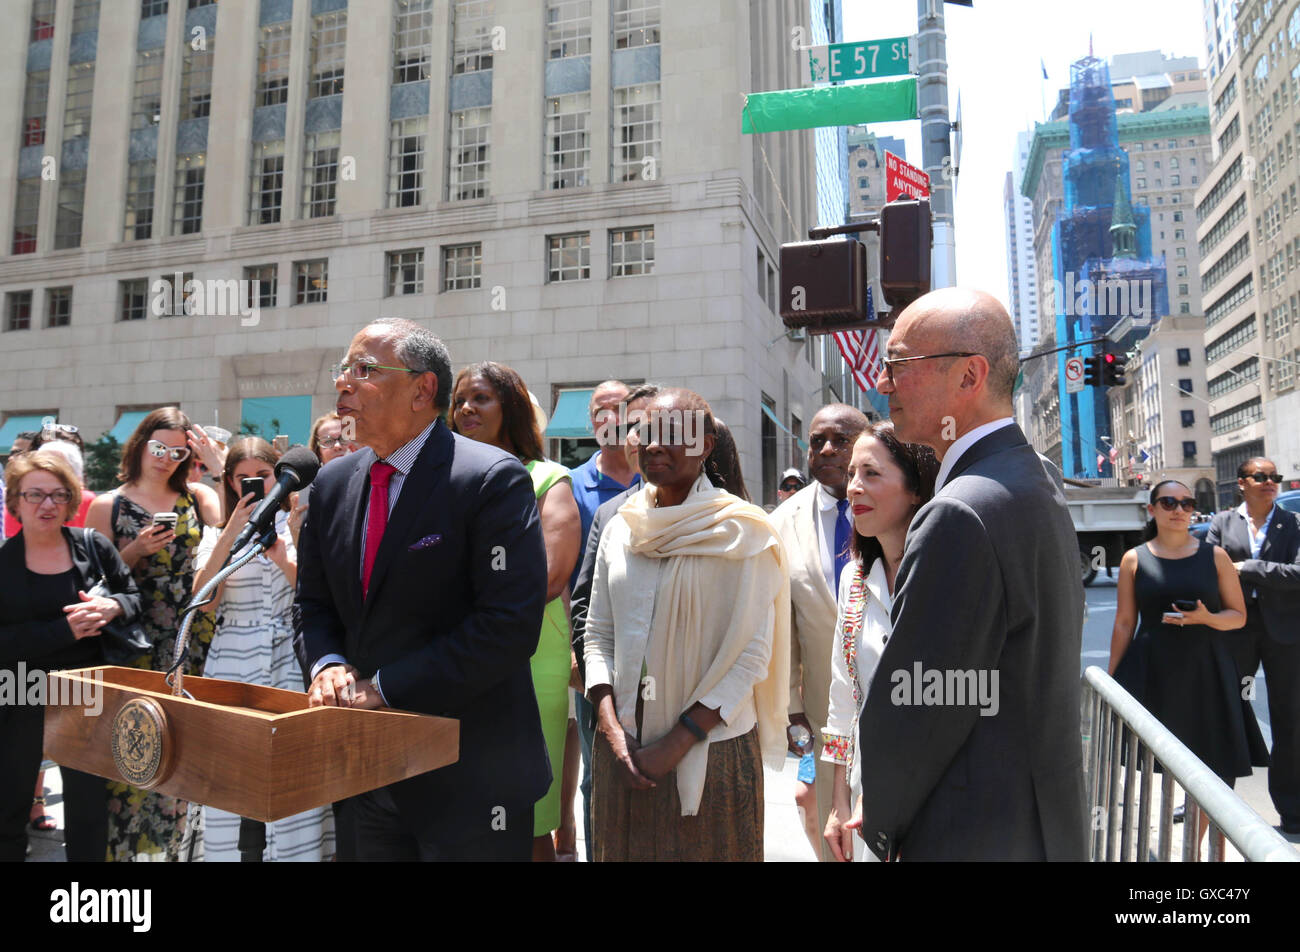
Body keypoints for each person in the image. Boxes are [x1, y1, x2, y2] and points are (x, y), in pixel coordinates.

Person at [294, 318, 550, 861]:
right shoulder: (332, 484)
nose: (343, 383)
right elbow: (313, 605)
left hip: (470, 776)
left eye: (364, 370)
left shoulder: (490, 479)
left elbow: (507, 625)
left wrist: (385, 687)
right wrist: (328, 665)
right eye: (344, 369)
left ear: (422, 389)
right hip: (364, 774)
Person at [858, 287, 1087, 861]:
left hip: (971, 833)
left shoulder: (961, 510)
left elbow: (916, 707)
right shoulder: (1034, 476)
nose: (884, 384)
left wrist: (879, 823)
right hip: (1038, 827)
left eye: (898, 365)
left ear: (969, 376)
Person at [584, 388, 790, 861]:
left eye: (675, 434)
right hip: (622, 751)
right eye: (647, 432)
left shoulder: (744, 532)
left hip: (713, 753)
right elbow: (598, 635)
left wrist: (676, 743)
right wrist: (613, 729)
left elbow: (752, 656)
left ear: (706, 446)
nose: (655, 444)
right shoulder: (622, 527)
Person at [450, 361, 581, 861]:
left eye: (480, 398)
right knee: (464, 806)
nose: (466, 408)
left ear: (511, 407)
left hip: (529, 658)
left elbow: (549, 576)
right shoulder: (442, 478)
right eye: (460, 399)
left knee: (527, 818)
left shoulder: (548, 478)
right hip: (452, 657)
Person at [84, 406, 222, 861]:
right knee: (132, 743)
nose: (166, 458)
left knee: (185, 745)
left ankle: (176, 850)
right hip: (134, 638)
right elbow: (97, 582)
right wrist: (135, 549)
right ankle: (126, 852)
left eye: (177, 452)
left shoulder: (198, 496)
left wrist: (216, 464)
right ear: (141, 444)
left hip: (189, 635)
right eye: (159, 447)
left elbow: (228, 527)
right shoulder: (109, 504)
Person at [192, 438, 335, 862]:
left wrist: (282, 553)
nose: (254, 483)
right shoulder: (215, 534)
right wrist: (232, 531)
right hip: (230, 664)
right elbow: (202, 601)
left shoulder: (302, 528)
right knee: (230, 776)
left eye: (264, 474)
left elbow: (317, 599)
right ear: (231, 483)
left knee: (291, 774)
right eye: (243, 477)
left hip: (288, 663)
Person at [1110, 479, 1266, 856]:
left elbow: (1237, 617)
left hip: (1207, 671)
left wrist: (1205, 618)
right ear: (1152, 510)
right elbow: (1124, 623)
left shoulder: (1215, 557)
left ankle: (1198, 853)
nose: (1179, 509)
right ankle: (1168, 850)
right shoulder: (1134, 558)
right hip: (1154, 671)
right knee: (1160, 767)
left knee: (1217, 766)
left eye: (1186, 502)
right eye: (1168, 502)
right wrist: (1112, 682)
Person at [1, 451, 140, 862]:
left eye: (58, 495)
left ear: (70, 502)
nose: (47, 504)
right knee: (10, 799)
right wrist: (61, 631)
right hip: (20, 686)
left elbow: (131, 596)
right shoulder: (3, 562)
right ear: (15, 502)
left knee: (86, 806)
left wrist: (112, 607)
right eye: (35, 495)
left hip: (84, 688)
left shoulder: (92, 546)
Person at [820, 424, 938, 862]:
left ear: (915, 490)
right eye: (851, 473)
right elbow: (842, 699)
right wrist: (839, 801)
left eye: (871, 473)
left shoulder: (948, 574)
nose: (853, 487)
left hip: (936, 799)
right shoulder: (853, 578)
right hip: (864, 801)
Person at [769, 403, 869, 861]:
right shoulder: (781, 523)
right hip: (825, 714)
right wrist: (790, 708)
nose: (827, 449)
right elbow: (780, 622)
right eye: (816, 441)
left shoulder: (904, 505)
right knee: (831, 826)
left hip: (901, 699)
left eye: (840, 439)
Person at [1206, 458, 1300, 833]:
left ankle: (1293, 812)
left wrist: (1247, 568)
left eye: (1274, 478)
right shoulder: (1222, 523)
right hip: (1235, 627)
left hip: (1286, 633)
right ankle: (1211, 800)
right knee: (1225, 713)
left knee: (1291, 721)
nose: (1270, 483)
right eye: (1261, 477)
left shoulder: (1292, 524)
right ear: (1242, 483)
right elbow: (1210, 568)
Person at [565, 380, 638, 860]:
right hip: (595, 653)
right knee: (598, 772)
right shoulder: (570, 486)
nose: (610, 418)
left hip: (653, 655)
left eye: (620, 409)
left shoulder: (660, 479)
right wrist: (576, 653)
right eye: (600, 411)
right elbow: (570, 578)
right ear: (591, 423)